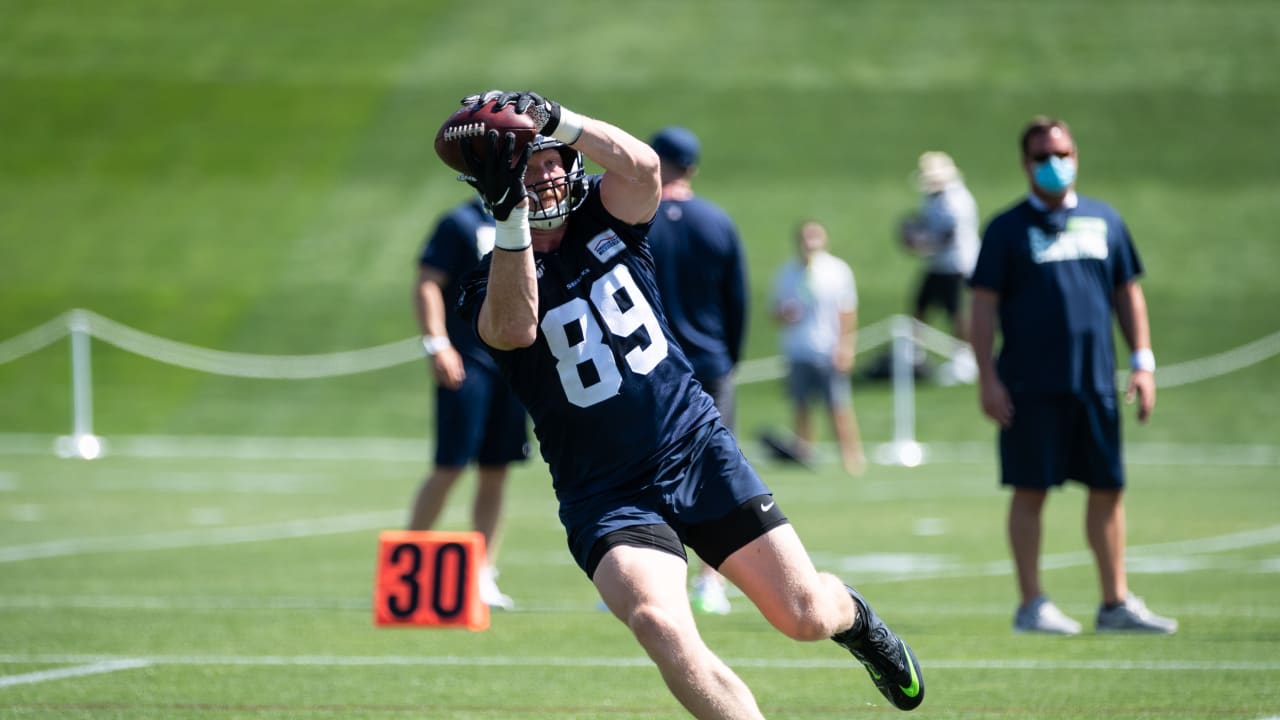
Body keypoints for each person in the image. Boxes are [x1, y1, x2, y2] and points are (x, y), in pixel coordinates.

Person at [450, 89, 924, 717]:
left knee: (805, 614)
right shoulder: (489, 277)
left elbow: (644, 168)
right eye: (532, 165)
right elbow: (513, 328)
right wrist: (510, 218)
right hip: (606, 493)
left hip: (694, 447)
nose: (552, 172)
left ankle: (858, 622)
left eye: (555, 159)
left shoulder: (605, 216)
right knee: (659, 620)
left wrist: (560, 120)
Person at [968, 115, 1177, 635]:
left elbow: (1127, 293)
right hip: (1028, 386)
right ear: (1025, 164)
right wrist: (987, 377)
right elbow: (981, 308)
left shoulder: (1105, 221)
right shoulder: (1006, 229)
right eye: (1042, 157)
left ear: (1076, 156)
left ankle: (1115, 602)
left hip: (1096, 383)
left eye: (1062, 153)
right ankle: (1032, 604)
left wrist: (1144, 361)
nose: (1054, 164)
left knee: (1108, 487)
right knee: (1030, 489)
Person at [407, 196, 530, 610]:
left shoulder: (524, 217)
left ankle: (482, 573)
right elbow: (428, 281)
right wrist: (437, 343)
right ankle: (407, 568)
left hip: (513, 365)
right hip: (467, 360)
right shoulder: (460, 221)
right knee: (450, 465)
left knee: (496, 470)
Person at [646, 126, 748, 615]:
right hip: (709, 363)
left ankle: (650, 580)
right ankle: (712, 581)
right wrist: (728, 358)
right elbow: (738, 302)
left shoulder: (637, 219)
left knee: (645, 471)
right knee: (715, 473)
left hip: (650, 367)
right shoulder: (717, 222)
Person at [771, 220, 867, 476]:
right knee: (801, 405)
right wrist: (784, 314)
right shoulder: (787, 273)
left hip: (828, 348)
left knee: (838, 406)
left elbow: (847, 312)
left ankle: (852, 457)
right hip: (798, 348)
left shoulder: (837, 271)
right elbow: (775, 312)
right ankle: (804, 453)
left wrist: (845, 346)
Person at [905, 151, 981, 384]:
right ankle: (914, 352)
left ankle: (965, 358)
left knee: (956, 312)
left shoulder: (957, 201)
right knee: (920, 305)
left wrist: (923, 243)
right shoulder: (932, 197)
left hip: (957, 264)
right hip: (937, 263)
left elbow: (949, 236)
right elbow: (925, 222)